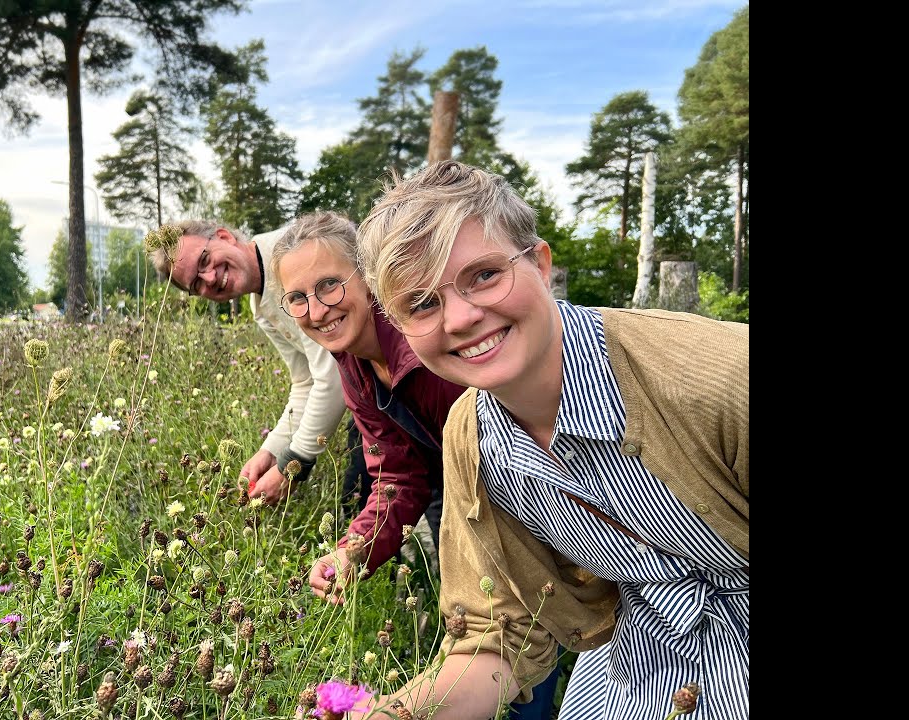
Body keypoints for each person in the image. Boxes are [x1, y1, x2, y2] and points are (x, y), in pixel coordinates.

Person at [349, 160, 749, 720]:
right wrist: (396, 714)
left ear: (539, 262)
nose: (461, 318)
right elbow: (500, 633)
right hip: (631, 675)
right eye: (422, 304)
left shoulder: (721, 380)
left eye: (484, 275)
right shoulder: (472, 438)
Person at [271, 211, 560, 720]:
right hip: (461, 489)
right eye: (298, 298)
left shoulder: (425, 343)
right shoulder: (354, 362)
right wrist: (352, 551)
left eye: (330, 286)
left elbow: (515, 437)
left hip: (529, 487)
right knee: (484, 638)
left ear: (370, 276)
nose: (317, 310)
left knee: (517, 631)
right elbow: (397, 475)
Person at [148, 220, 347, 499]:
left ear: (225, 236)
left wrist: (294, 463)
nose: (209, 278)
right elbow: (306, 381)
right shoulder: (261, 305)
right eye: (196, 283)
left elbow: (334, 375)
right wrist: (271, 450)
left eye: (204, 260)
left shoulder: (293, 255)